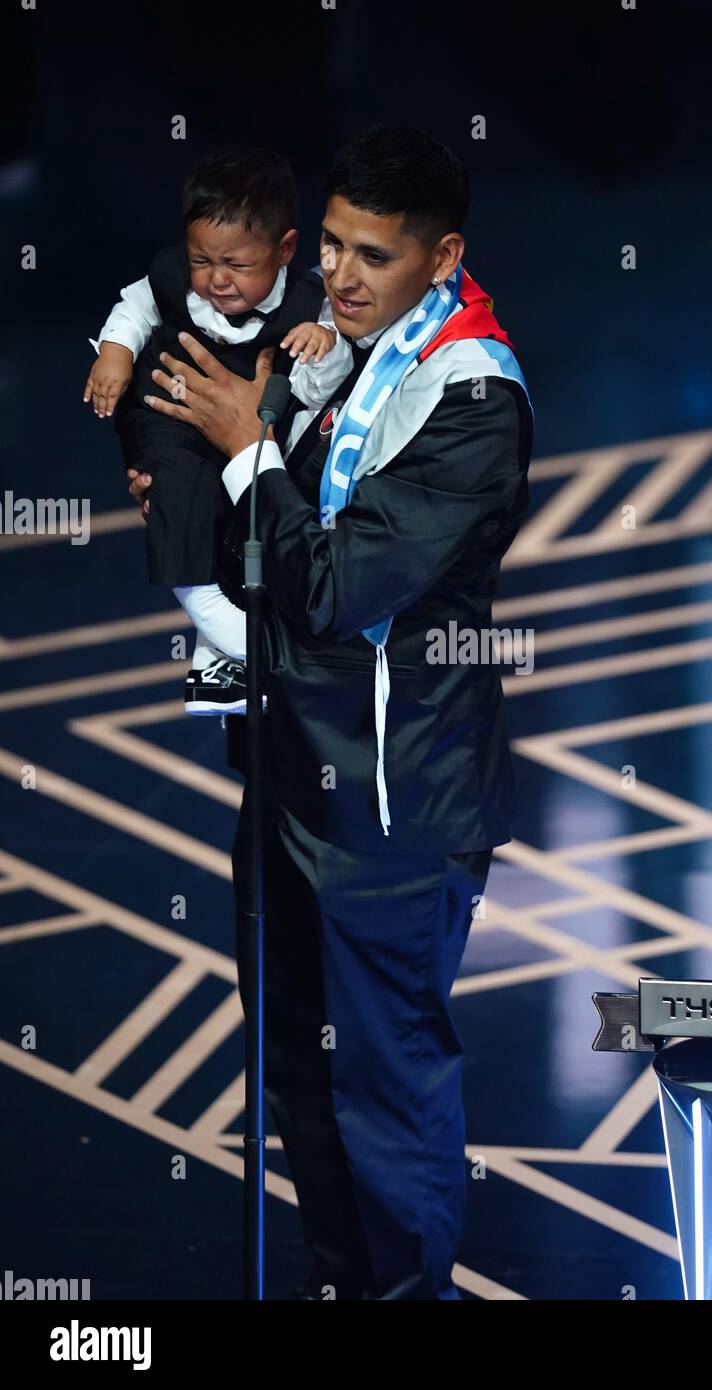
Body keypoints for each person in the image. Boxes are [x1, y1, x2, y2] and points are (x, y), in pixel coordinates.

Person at [129, 123, 533, 1300]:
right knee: (304, 1087)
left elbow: (339, 583)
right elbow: (274, 540)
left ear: (442, 255)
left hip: (394, 813)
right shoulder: (346, 350)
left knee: (382, 1092)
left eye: (375, 257)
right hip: (296, 771)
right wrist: (195, 492)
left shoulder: (472, 402)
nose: (342, 279)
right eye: (335, 250)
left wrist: (245, 450)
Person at [84, 145, 352, 713]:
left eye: (236, 265)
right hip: (170, 413)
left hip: (254, 431)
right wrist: (113, 352)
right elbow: (135, 307)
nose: (217, 280)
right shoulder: (173, 276)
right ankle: (203, 600)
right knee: (176, 486)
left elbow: (317, 391)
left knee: (259, 495)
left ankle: (238, 619)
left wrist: (323, 348)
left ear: (284, 251)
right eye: (202, 260)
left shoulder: (312, 306)